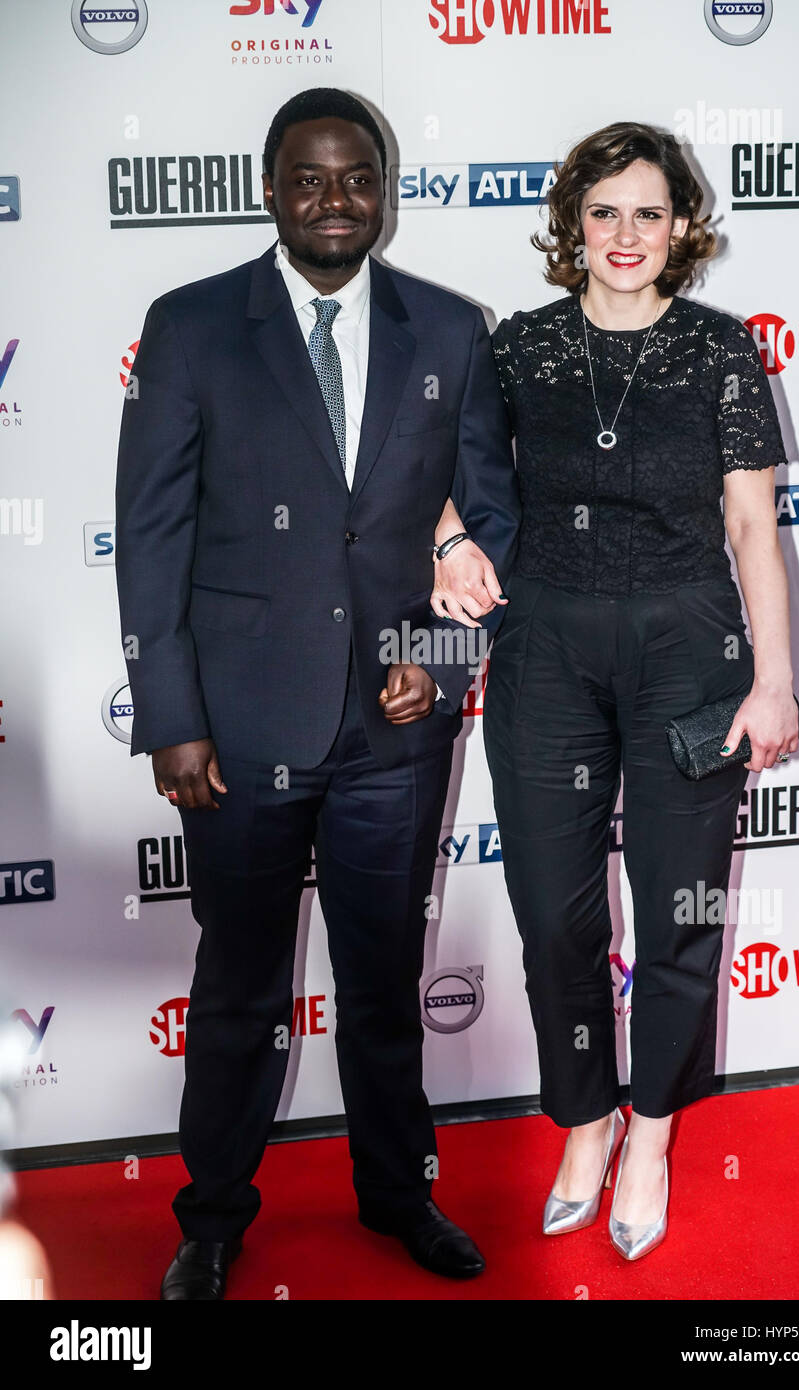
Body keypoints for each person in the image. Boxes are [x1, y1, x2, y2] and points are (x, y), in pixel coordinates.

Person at [115, 87, 520, 1299]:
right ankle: (213, 1220)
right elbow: (151, 537)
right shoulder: (190, 328)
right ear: (271, 189)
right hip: (236, 733)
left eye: (356, 178)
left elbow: (493, 522)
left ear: (384, 188)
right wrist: (173, 716)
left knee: (383, 984)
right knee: (238, 990)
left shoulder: (449, 330)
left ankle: (399, 1196)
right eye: (308, 178)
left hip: (394, 736)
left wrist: (438, 659)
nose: (334, 200)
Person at [432, 122, 799, 1260]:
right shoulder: (518, 349)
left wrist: (775, 680)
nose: (624, 235)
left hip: (690, 650)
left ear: (681, 226)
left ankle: (649, 1131)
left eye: (647, 212)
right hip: (542, 647)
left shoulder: (720, 349)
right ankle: (582, 1119)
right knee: (553, 917)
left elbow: (751, 523)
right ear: (570, 227)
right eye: (602, 212)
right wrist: (446, 540)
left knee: (681, 914)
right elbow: (448, 479)